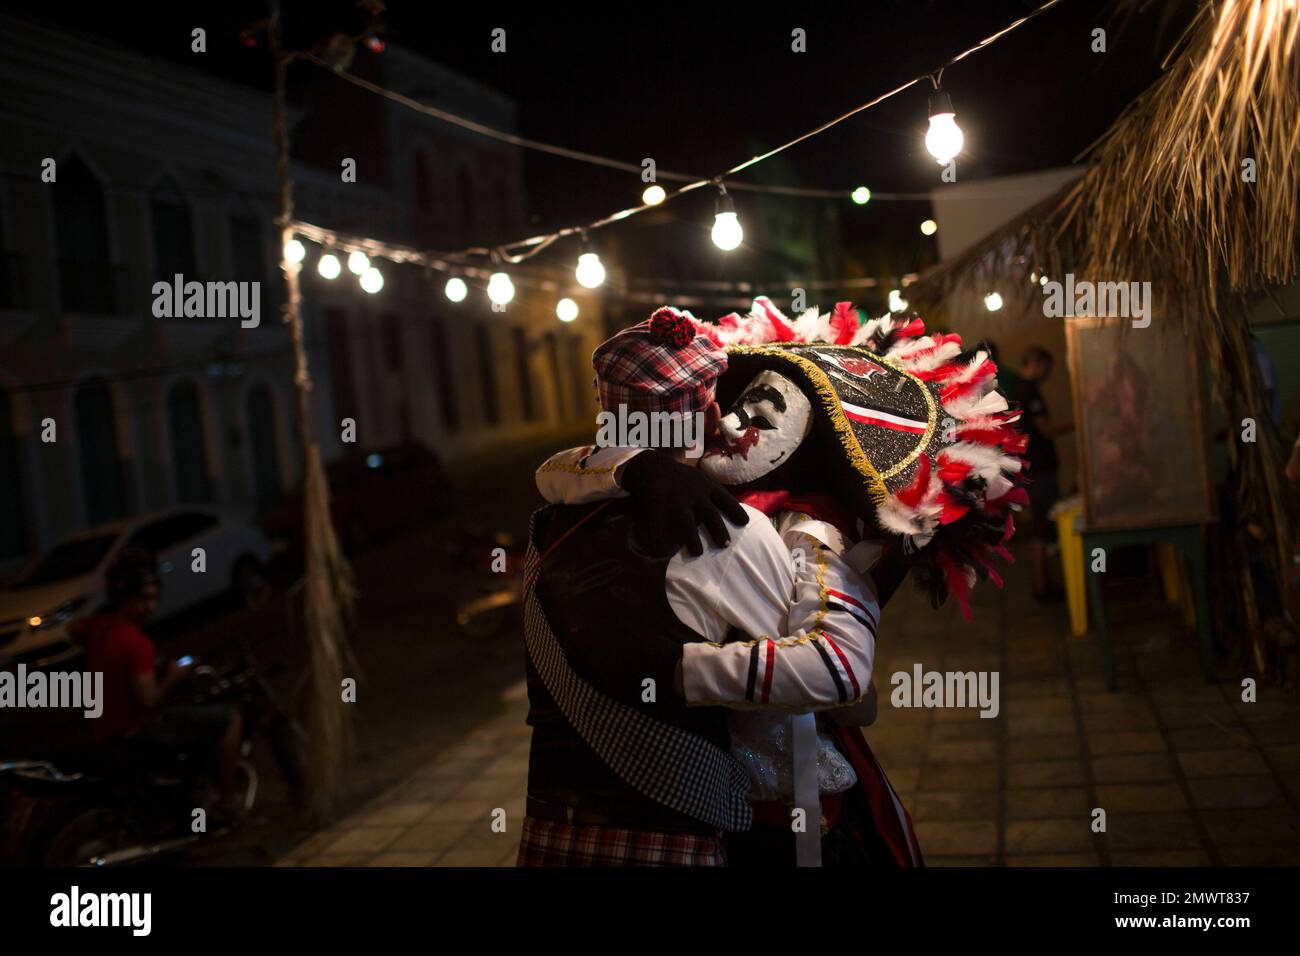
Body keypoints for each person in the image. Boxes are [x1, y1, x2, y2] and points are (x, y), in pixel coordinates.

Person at [524, 300, 1025, 866]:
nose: (733, 425)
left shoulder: (808, 532)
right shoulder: (675, 499)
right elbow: (557, 471)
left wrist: (680, 668)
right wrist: (631, 467)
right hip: (721, 810)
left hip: (797, 811)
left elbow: (842, 673)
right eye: (731, 405)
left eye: (759, 414)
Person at [79, 549, 244, 818]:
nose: (150, 607)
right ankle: (228, 801)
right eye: (143, 600)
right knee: (230, 719)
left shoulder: (100, 627)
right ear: (126, 599)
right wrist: (173, 676)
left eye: (154, 599)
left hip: (103, 727)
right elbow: (148, 700)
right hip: (135, 730)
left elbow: (76, 630)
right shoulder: (137, 643)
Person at [1008, 344, 1073, 601]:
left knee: (1042, 526)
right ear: (1036, 364)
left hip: (1033, 468)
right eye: (1047, 367)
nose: (1048, 373)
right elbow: (1045, 430)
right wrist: (1079, 421)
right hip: (1040, 469)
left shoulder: (1021, 391)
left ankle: (1044, 583)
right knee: (1042, 527)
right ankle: (1042, 585)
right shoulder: (1029, 391)